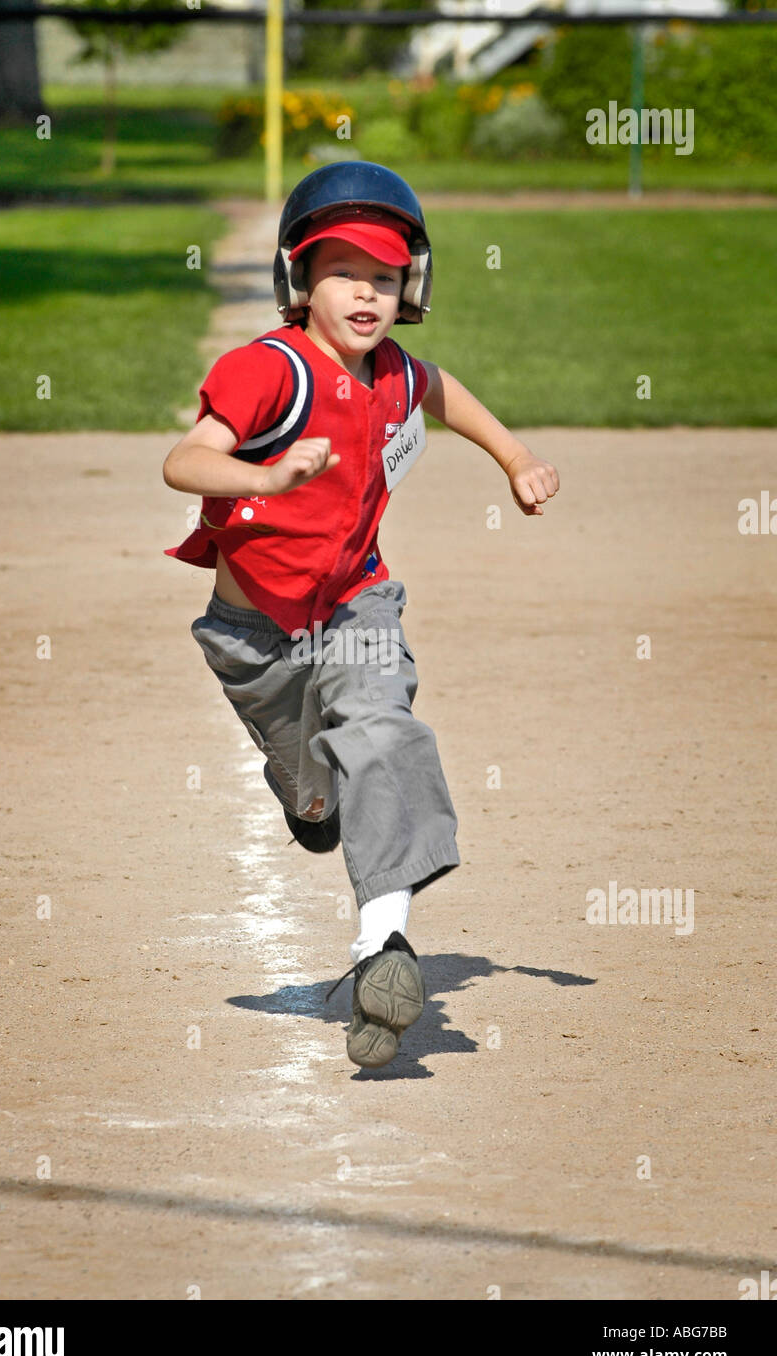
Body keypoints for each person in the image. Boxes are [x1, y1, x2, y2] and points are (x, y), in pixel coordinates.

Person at [162, 161, 559, 1069]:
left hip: (354, 602)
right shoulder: (268, 368)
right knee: (315, 790)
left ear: (408, 286)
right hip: (253, 636)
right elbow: (186, 461)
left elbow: (440, 393)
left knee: (383, 726)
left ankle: (382, 944)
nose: (366, 293)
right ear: (300, 283)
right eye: (342, 273)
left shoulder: (392, 372)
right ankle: (305, 790)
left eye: (383, 276)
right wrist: (263, 478)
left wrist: (516, 456)